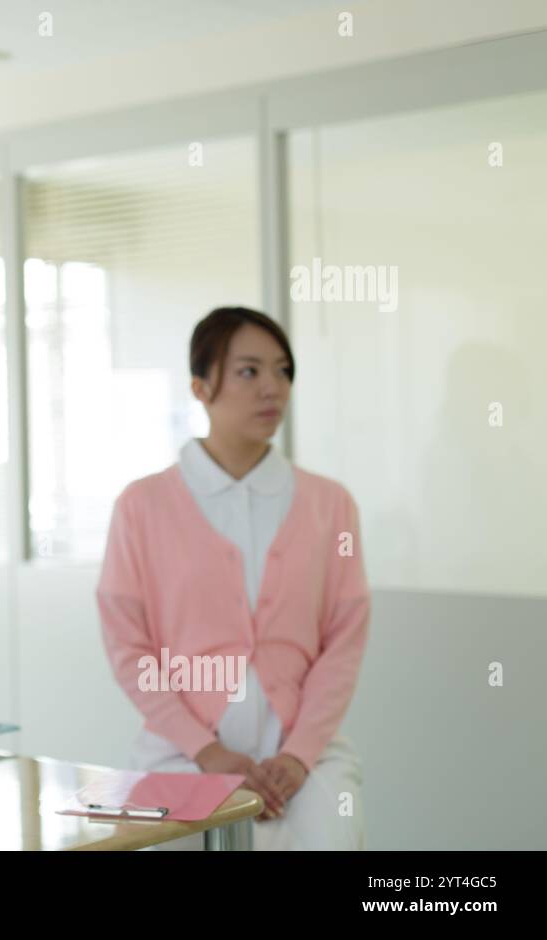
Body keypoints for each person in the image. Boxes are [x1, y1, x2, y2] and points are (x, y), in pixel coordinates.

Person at [97, 306, 369, 850]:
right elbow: (130, 649)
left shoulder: (329, 504)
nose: (272, 388)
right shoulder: (141, 506)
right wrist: (207, 751)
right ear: (200, 387)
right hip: (182, 749)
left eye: (283, 370)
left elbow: (345, 638)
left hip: (303, 752)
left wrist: (297, 755)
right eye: (249, 371)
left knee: (333, 834)